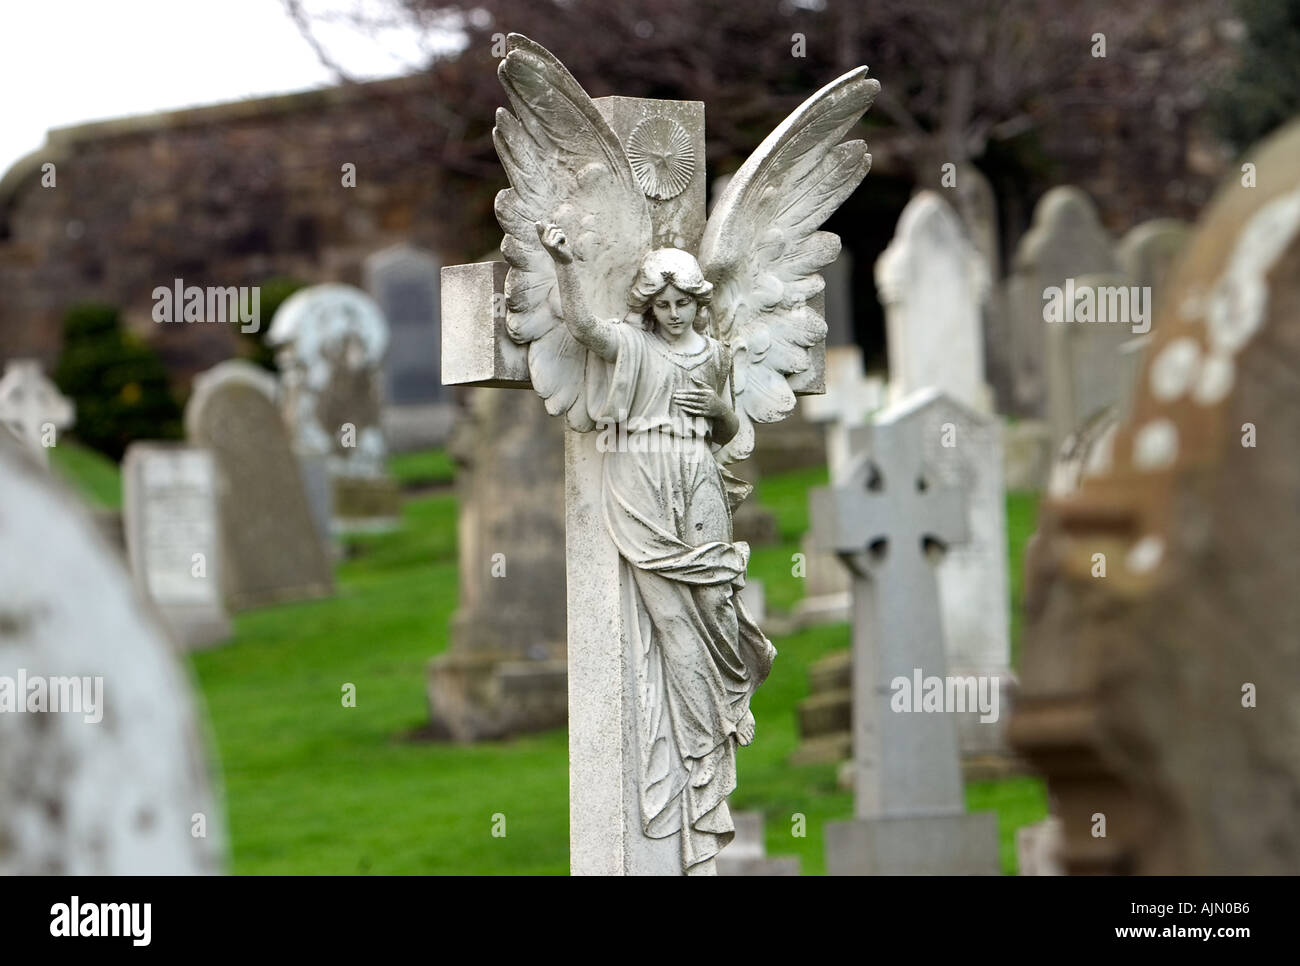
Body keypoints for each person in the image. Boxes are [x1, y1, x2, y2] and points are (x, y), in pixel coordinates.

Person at [536, 222, 775, 874]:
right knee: (670, 619)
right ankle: (702, 761)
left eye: (684, 304)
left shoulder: (714, 355)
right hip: (640, 482)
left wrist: (718, 412)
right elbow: (584, 326)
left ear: (700, 303)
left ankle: (718, 735)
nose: (673, 315)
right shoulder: (633, 346)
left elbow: (727, 425)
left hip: (696, 479)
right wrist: (564, 262)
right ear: (648, 306)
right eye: (662, 305)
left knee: (715, 609)